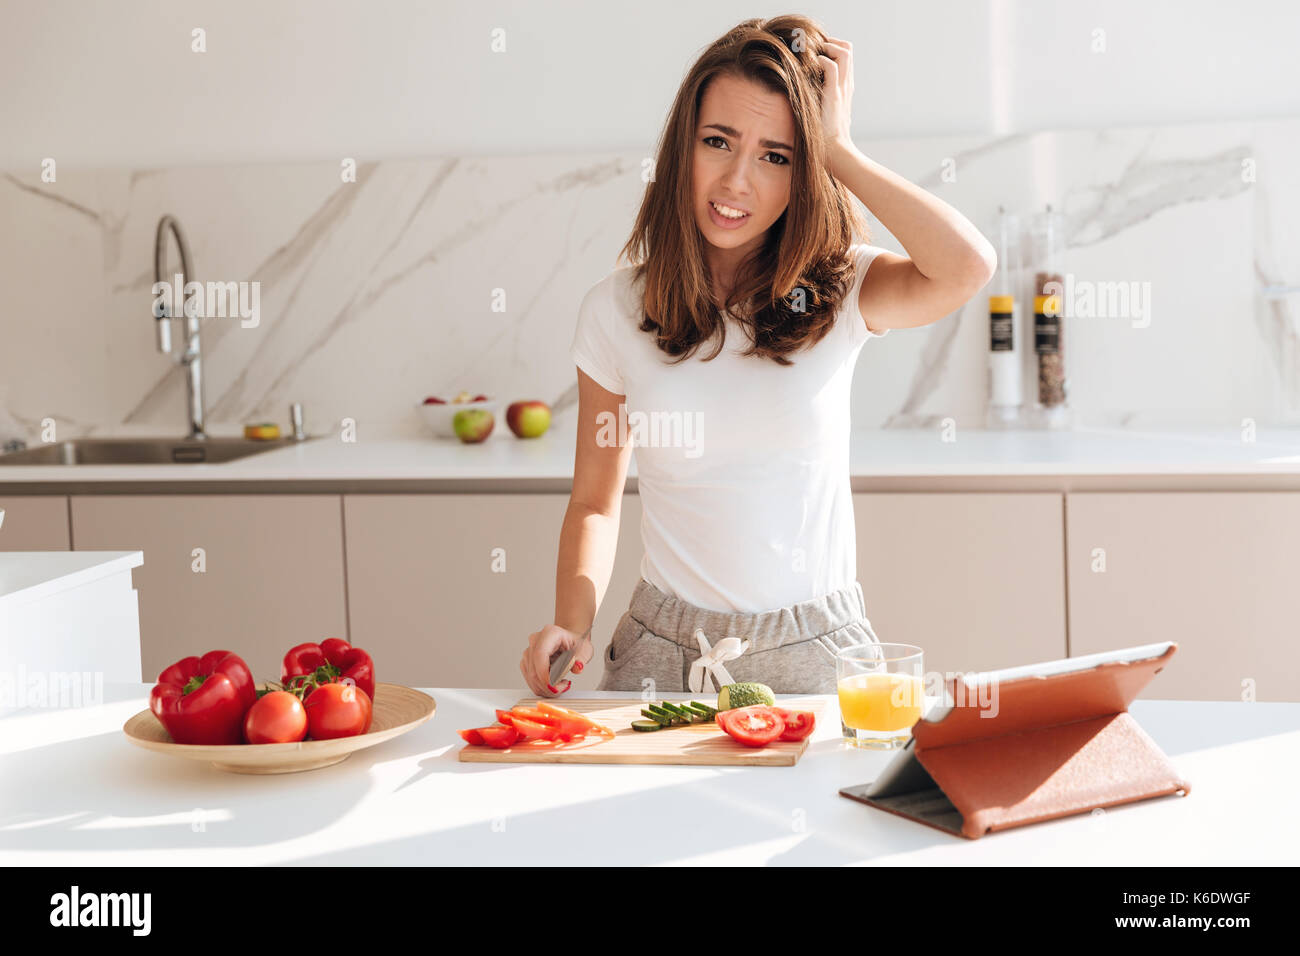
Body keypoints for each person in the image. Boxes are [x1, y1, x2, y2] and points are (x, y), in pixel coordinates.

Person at [519, 15, 995, 698]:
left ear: (806, 175)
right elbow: (595, 502)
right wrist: (571, 621)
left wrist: (841, 150)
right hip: (662, 655)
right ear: (683, 147)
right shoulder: (613, 311)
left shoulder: (843, 290)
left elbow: (967, 266)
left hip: (819, 653)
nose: (737, 181)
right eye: (718, 142)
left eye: (777, 155)